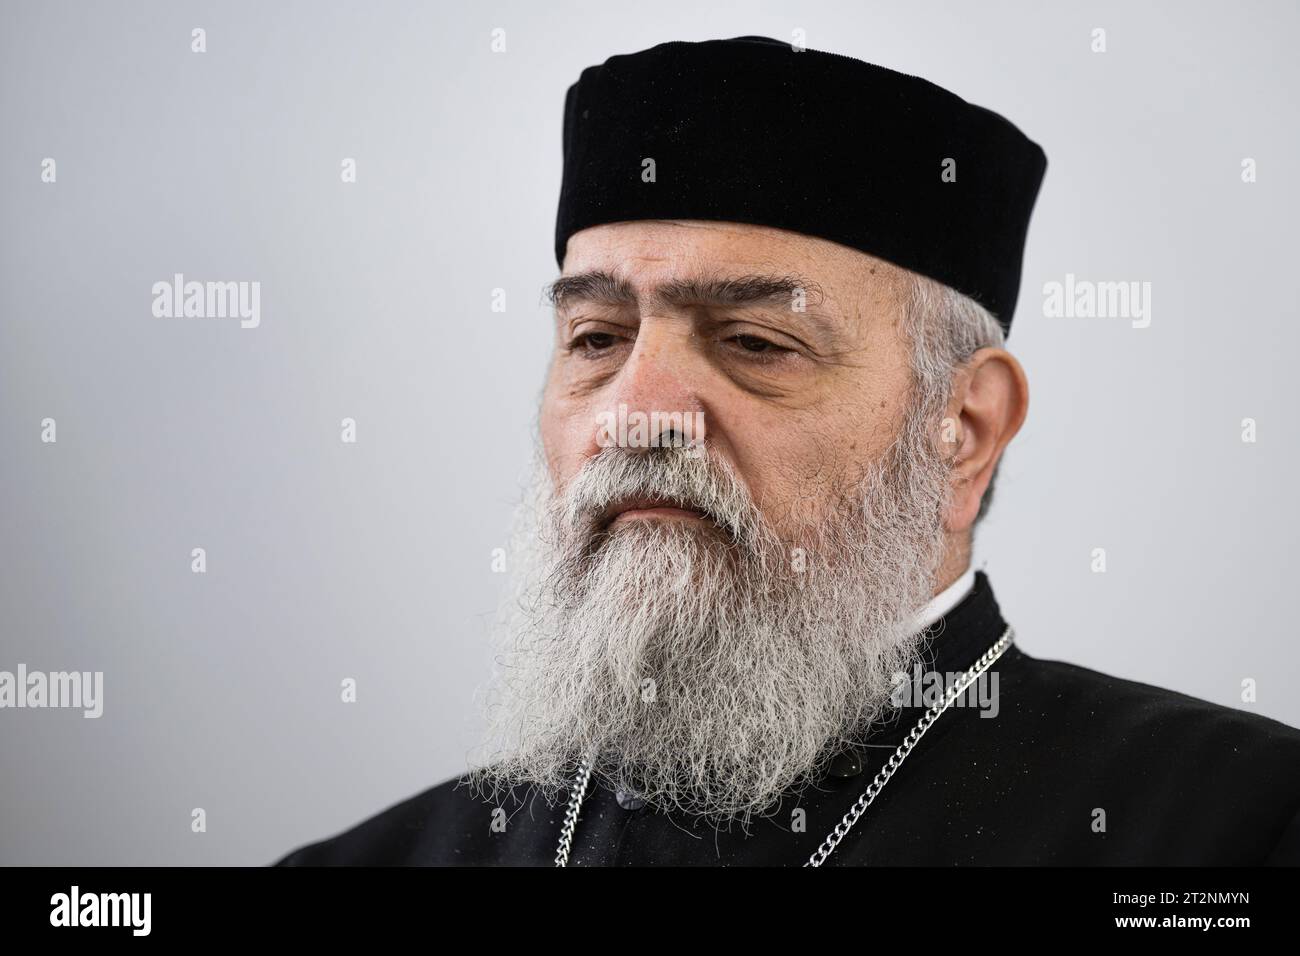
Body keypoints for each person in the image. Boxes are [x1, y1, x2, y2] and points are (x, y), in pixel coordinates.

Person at [276, 36, 1300, 866]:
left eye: (756, 343)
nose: (636, 411)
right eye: (595, 338)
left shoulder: (1241, 828)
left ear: (965, 429)